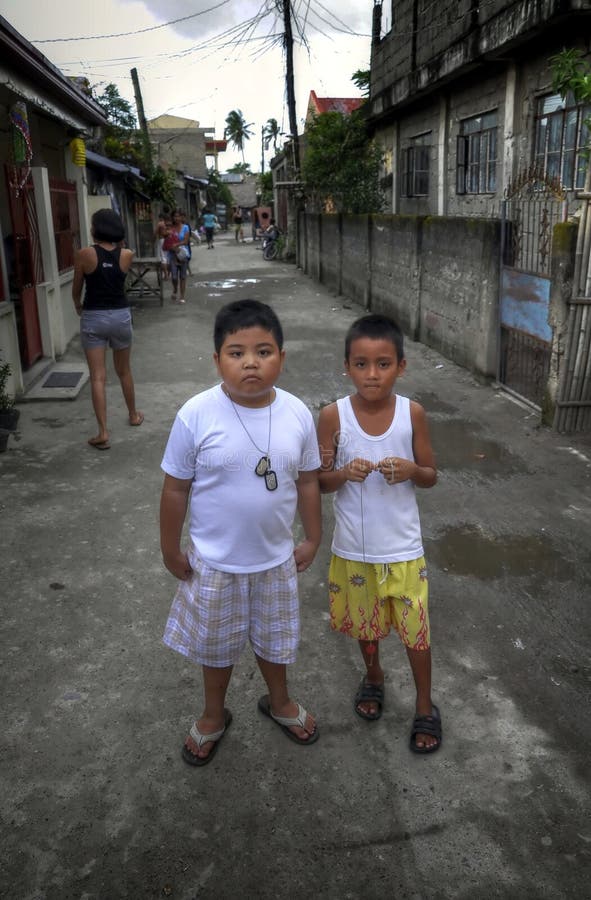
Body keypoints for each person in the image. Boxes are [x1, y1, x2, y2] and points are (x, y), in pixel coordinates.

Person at [160, 299, 322, 766]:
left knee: (275, 641)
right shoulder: (196, 414)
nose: (251, 362)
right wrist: (170, 549)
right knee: (216, 648)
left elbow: (308, 481)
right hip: (214, 563)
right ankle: (213, 714)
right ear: (217, 360)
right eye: (237, 353)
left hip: (276, 561)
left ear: (282, 357)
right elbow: (175, 489)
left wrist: (313, 537)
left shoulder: (296, 414)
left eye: (263, 351)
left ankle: (280, 701)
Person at [317, 313, 441, 754]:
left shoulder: (412, 414)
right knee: (365, 627)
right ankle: (373, 675)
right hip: (354, 550)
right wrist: (342, 474)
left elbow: (430, 475)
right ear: (347, 367)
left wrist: (411, 470)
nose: (372, 374)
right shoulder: (332, 416)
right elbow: (318, 480)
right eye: (361, 364)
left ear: (401, 367)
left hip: (403, 550)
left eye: (383, 364)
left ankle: (424, 703)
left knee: (416, 633)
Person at [72, 208, 144, 450]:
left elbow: (77, 288)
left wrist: (77, 305)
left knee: (98, 376)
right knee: (124, 370)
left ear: (95, 228)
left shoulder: (84, 254)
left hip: (93, 316)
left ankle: (103, 432)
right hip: (121, 316)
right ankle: (133, 415)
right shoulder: (127, 254)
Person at [167, 210, 190, 303]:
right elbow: (167, 240)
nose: (176, 218)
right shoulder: (170, 228)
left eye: (178, 216)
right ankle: (175, 289)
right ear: (172, 218)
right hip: (172, 255)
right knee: (174, 276)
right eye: (175, 216)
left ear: (181, 217)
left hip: (182, 254)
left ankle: (182, 296)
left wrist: (177, 245)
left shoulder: (185, 227)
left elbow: (186, 241)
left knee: (183, 276)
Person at [154, 213, 170, 280]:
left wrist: (153, 240)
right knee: (166, 257)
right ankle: (167, 274)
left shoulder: (160, 224)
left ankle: (166, 275)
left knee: (162, 258)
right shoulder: (168, 224)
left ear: (160, 217)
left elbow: (155, 232)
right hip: (167, 240)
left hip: (161, 240)